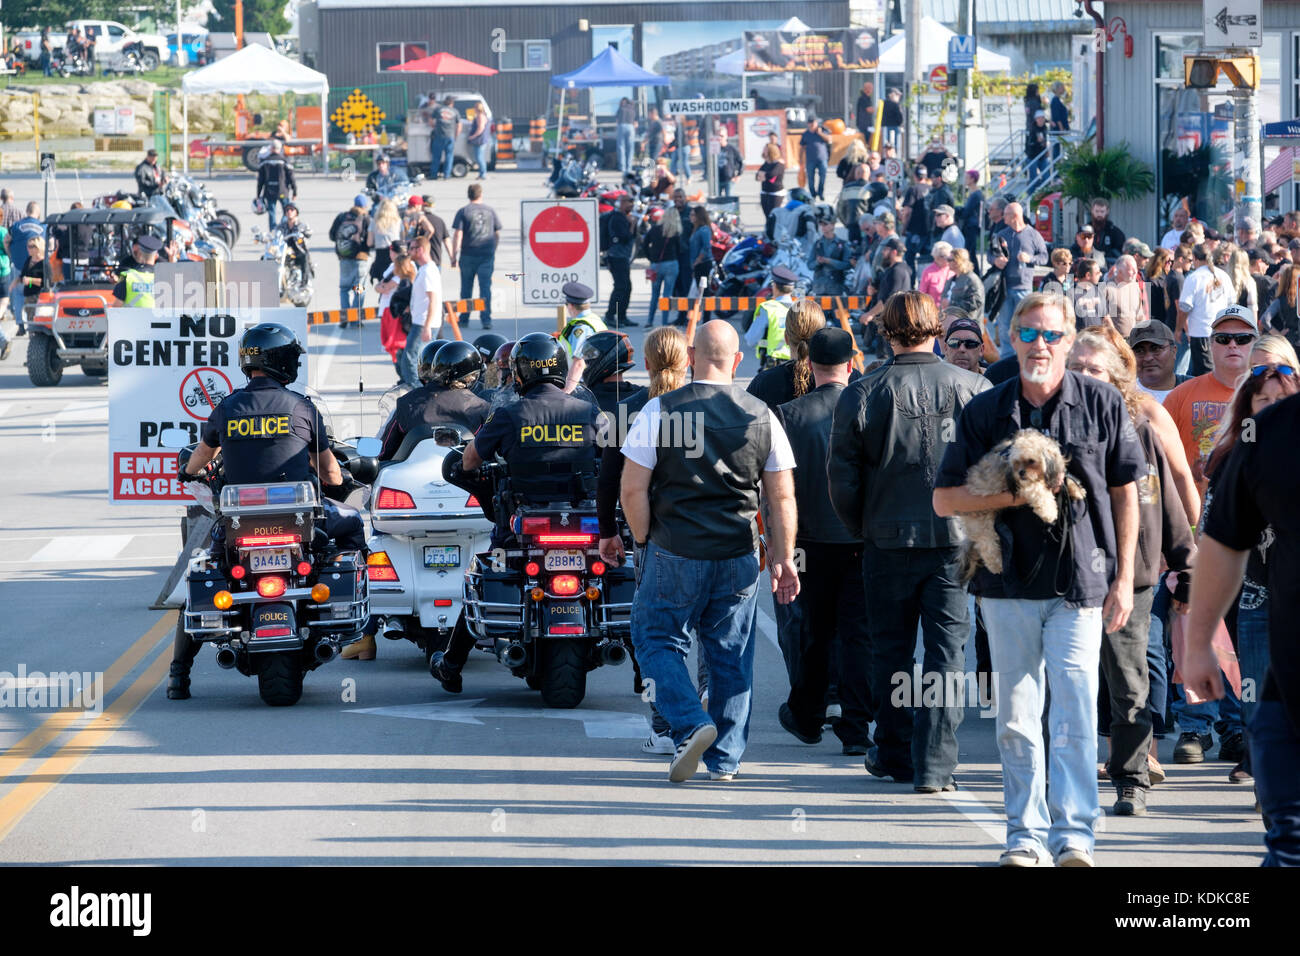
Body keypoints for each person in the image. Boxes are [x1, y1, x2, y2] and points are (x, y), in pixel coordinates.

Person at [933, 292, 1144, 867]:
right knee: (1018, 719)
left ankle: (1074, 835)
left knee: (1075, 712)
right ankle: (1024, 836)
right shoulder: (985, 410)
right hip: (1006, 589)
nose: (1039, 346)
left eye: (1050, 335)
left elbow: (1127, 493)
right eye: (1027, 335)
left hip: (1081, 583)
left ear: (1069, 340)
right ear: (1013, 339)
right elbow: (945, 498)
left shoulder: (1102, 402)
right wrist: (1021, 494)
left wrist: (1126, 578)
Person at [620, 320, 799, 782]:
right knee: (730, 655)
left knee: (654, 638)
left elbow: (632, 490)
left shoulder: (660, 410)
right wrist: (783, 557)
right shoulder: (763, 415)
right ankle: (726, 759)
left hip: (674, 548)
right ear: (738, 361)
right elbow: (781, 497)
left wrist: (644, 539)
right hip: (738, 554)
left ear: (692, 356)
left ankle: (690, 722)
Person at [829, 292, 991, 788]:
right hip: (953, 540)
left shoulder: (863, 392)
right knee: (946, 653)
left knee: (892, 650)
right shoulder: (974, 387)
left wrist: (862, 527)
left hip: (887, 537)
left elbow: (843, 479)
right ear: (936, 330)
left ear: (888, 332)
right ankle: (936, 764)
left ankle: (896, 752)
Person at [169, 324, 366, 699]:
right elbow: (328, 472)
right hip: (300, 524)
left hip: (238, 528)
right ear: (282, 361)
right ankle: (362, 630)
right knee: (354, 521)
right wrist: (341, 482)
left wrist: (187, 472)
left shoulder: (227, 407)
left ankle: (178, 677)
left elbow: (199, 459)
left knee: (203, 575)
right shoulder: (301, 407)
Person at [1066, 327, 1196, 817]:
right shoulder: (1046, 426)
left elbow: (1165, 503)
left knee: (1128, 679)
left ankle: (1132, 777)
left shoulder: (1137, 427)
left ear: (1117, 378)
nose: (1084, 378)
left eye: (1094, 370)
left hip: (1131, 576)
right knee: (1070, 679)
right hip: (1066, 576)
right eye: (1076, 369)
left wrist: (1186, 566)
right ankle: (1066, 773)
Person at [432, 334, 606, 692]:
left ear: (520, 373)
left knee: (483, 572)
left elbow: (468, 461)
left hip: (521, 527)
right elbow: (614, 458)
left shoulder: (509, 414)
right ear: (559, 368)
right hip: (584, 523)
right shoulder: (590, 412)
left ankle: (452, 664)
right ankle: (641, 669)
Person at [1183, 380, 1300, 866]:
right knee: (1289, 839)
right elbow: (1223, 544)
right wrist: (1198, 644)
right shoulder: (1270, 434)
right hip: (1289, 685)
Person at [1198, 341, 1299, 786]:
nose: (1273, 409)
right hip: (1258, 593)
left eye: (1282, 399)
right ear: (1247, 406)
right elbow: (1216, 537)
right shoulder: (1233, 456)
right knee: (1259, 691)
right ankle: (1263, 769)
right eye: (1263, 400)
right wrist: (1198, 638)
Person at [772, 327, 870, 749]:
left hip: (808, 541)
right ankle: (856, 726)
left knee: (814, 632)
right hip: (861, 539)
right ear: (851, 364)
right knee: (858, 633)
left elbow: (776, 489)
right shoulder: (870, 407)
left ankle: (808, 716)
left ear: (809, 365)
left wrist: (779, 549)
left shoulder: (789, 414)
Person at [378, 339, 489, 460]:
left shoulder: (407, 402)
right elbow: (490, 450)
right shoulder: (481, 407)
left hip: (413, 474)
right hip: (460, 474)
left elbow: (384, 451)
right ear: (472, 376)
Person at [991, 202, 1049, 357]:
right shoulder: (1002, 234)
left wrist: (1029, 258)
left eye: (1006, 215)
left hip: (1024, 288)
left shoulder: (1033, 234)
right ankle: (1007, 359)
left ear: (1015, 216)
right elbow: (991, 254)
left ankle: (1024, 355)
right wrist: (995, 260)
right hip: (1004, 287)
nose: (1003, 218)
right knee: (1004, 326)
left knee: (1025, 324)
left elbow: (1044, 257)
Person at [1176, 243, 1235, 377]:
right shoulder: (1223, 276)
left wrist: (1178, 329)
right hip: (1222, 331)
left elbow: (1184, 307)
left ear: (1195, 258)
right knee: (1220, 370)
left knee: (1204, 374)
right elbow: (1232, 303)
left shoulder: (1194, 278)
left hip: (1201, 332)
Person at [451, 183, 501, 331]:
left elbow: (458, 234)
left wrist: (454, 255)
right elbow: (497, 233)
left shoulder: (463, 211)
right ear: (481, 194)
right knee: (485, 288)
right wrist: (493, 249)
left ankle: (464, 318)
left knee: (466, 288)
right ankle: (486, 319)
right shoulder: (490, 211)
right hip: (486, 255)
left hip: (467, 254)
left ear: (469, 195)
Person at [398, 235, 443, 387]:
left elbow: (433, 300)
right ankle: (418, 388)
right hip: (420, 321)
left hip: (423, 323)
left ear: (420, 250)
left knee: (410, 359)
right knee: (417, 359)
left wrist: (427, 326)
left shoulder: (428, 271)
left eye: (412, 248)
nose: (409, 252)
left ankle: (416, 390)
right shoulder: (424, 269)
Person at [862, 236, 910, 355]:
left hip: (895, 324)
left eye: (886, 250)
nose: (883, 252)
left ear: (894, 252)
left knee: (892, 358)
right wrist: (874, 290)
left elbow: (888, 301)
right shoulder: (892, 269)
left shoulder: (897, 271)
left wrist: (869, 314)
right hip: (888, 323)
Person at [556, 281, 607, 391]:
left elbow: (579, 362)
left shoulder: (580, 328)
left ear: (571, 305)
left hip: (581, 384)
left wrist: (567, 391)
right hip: (597, 379)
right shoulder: (595, 320)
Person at [744, 265, 799, 368]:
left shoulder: (767, 309)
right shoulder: (801, 309)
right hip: (797, 365)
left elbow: (751, 340)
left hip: (773, 366)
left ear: (774, 286)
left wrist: (764, 343)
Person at [329, 195, 371, 327]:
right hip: (360, 259)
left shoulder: (342, 217)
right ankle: (355, 319)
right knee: (358, 289)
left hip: (344, 259)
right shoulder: (366, 218)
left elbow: (332, 235)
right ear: (365, 206)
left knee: (344, 289)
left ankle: (344, 318)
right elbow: (370, 240)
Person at [6, 201, 43, 333]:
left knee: (19, 295)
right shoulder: (42, 226)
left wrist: (11, 255)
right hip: (36, 266)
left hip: (19, 265)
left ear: (27, 211)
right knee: (35, 294)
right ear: (37, 213)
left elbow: (6, 240)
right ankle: (34, 323)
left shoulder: (16, 226)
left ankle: (20, 324)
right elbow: (49, 244)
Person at [602, 194, 636, 329]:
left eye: (632, 202)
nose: (631, 205)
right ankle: (610, 315)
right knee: (621, 287)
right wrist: (632, 225)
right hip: (616, 258)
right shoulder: (617, 218)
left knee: (626, 287)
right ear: (621, 203)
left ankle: (622, 316)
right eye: (629, 202)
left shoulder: (623, 217)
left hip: (623, 258)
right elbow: (624, 237)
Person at [1129, 320, 1187, 402]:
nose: (1148, 358)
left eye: (1156, 349)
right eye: (1139, 351)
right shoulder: (1124, 397)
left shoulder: (1196, 391)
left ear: (1173, 351)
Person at [644, 207, 681, 327]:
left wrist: (651, 258)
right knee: (667, 295)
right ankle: (664, 322)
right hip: (671, 264)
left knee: (654, 294)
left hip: (656, 266)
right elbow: (680, 249)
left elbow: (644, 244)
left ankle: (650, 321)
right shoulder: (676, 232)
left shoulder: (654, 229)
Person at [1102, 254, 1147, 336]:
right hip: (1114, 341)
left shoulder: (1135, 287)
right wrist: (1115, 338)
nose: (1134, 273)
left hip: (1133, 340)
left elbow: (1140, 315)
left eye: (1135, 269)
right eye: (1131, 270)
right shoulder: (1107, 289)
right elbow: (1104, 318)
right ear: (1119, 272)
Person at [255, 139, 296, 231]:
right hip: (283, 190)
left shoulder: (264, 162)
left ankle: (273, 230)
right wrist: (294, 191)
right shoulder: (285, 161)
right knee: (286, 211)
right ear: (280, 148)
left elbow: (260, 180)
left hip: (269, 191)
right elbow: (291, 177)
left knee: (271, 212)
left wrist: (258, 194)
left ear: (271, 148)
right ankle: (283, 227)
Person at [111, 233, 161, 306]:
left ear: (140, 253)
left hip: (130, 317)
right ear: (156, 256)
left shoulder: (126, 276)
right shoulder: (164, 278)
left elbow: (116, 309)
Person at [808, 215, 852, 296]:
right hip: (819, 288)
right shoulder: (817, 244)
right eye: (822, 225)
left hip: (835, 287)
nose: (823, 227)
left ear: (833, 225)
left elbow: (848, 265)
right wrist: (817, 262)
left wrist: (830, 261)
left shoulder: (842, 244)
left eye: (826, 224)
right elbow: (810, 265)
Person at [942, 247, 984, 320]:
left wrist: (951, 304)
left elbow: (976, 302)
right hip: (953, 323)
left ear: (958, 261)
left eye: (950, 260)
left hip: (969, 325)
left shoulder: (972, 279)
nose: (947, 262)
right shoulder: (951, 280)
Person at [369, 198, 403, 285]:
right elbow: (403, 239)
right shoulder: (398, 221)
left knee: (382, 284)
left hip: (380, 256)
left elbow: (369, 242)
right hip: (395, 253)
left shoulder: (374, 222)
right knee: (395, 283)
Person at [429, 96, 461, 181]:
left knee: (436, 157)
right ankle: (446, 175)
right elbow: (459, 125)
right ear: (452, 103)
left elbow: (431, 120)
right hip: (450, 136)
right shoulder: (455, 111)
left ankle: (434, 174)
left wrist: (434, 127)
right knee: (449, 157)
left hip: (439, 135)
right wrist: (456, 136)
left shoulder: (438, 109)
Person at [801, 117, 832, 201]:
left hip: (822, 158)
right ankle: (812, 194)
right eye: (810, 123)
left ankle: (821, 193)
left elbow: (829, 140)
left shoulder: (823, 131)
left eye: (813, 122)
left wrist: (820, 133)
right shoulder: (806, 134)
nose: (811, 124)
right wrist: (800, 159)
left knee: (822, 177)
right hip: (810, 159)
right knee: (810, 178)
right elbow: (802, 147)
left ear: (816, 123)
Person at [1088, 198, 1126, 265]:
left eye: (1102, 211)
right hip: (1087, 266)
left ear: (1107, 211)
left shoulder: (1115, 232)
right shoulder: (1085, 231)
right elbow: (1075, 250)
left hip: (1109, 268)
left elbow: (1120, 255)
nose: (1099, 214)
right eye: (1097, 211)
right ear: (1092, 211)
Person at [918, 242, 954, 307]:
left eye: (950, 258)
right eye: (947, 258)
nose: (950, 260)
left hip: (951, 311)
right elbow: (922, 295)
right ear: (937, 257)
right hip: (933, 311)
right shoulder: (928, 272)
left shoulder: (953, 270)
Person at [959, 171, 985, 257]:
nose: (965, 180)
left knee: (970, 253)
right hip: (971, 224)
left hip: (972, 225)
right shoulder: (973, 193)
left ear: (972, 179)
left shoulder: (976, 194)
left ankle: (975, 270)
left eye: (967, 178)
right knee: (970, 252)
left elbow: (968, 211)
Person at [714, 129, 743, 198]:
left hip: (729, 179)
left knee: (728, 199)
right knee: (718, 200)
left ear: (726, 136)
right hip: (717, 179)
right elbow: (708, 163)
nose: (720, 138)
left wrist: (739, 175)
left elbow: (741, 161)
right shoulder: (714, 149)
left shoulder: (731, 149)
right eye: (718, 136)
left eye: (722, 136)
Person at [466, 107, 491, 180]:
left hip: (479, 140)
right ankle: (482, 173)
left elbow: (480, 128)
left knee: (479, 158)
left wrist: (473, 136)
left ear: (478, 109)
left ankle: (483, 174)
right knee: (480, 157)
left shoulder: (480, 116)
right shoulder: (482, 116)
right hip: (481, 140)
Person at [1024, 111, 1049, 183]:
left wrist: (1046, 150)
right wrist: (1036, 141)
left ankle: (1045, 192)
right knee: (1033, 179)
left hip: (1042, 156)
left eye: (1042, 118)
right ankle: (1032, 193)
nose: (1041, 120)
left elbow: (1045, 140)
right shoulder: (1032, 129)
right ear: (1036, 119)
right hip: (1032, 156)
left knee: (1046, 177)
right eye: (1039, 118)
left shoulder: (1044, 128)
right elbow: (1029, 143)